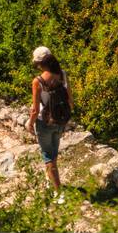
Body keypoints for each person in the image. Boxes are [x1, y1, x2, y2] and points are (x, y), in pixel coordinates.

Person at [26, 45, 72, 190]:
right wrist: (65, 118)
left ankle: (58, 192)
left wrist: (29, 124)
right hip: (60, 120)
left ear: (40, 63)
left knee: (47, 156)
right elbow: (70, 100)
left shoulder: (38, 81)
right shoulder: (63, 74)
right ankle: (51, 179)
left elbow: (35, 110)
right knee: (53, 153)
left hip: (44, 122)